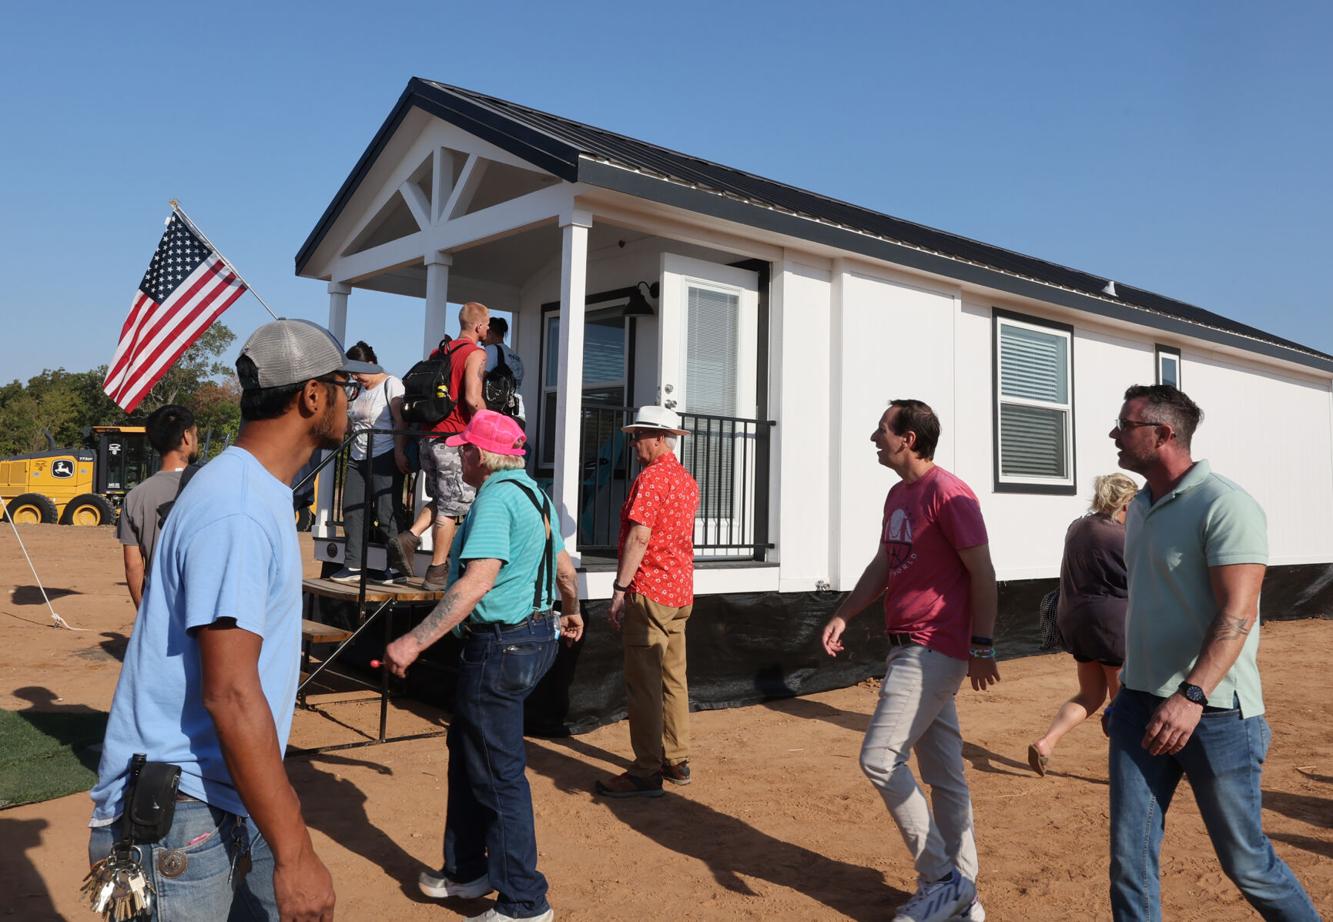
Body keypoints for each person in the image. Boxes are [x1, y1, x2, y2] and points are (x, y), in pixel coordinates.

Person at [88, 319, 371, 921]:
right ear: (312, 396)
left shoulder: (252, 490)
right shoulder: (237, 508)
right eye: (346, 384)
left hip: (212, 797)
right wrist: (295, 854)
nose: (355, 399)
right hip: (180, 815)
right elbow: (232, 693)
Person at [1106, 384, 1318, 920]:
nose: (1114, 434)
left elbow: (1237, 613)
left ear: (1163, 434)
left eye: (1125, 425)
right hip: (1139, 707)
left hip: (1216, 714)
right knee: (1130, 862)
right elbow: (1152, 606)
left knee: (1246, 863)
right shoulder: (1138, 507)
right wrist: (1128, 688)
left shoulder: (1225, 504)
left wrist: (1192, 694)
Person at [383, 409, 584, 922]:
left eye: (463, 448)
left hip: (503, 646)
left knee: (496, 772)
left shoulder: (495, 499)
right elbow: (563, 567)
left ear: (479, 454)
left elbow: (475, 583)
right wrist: (572, 611)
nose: (458, 455)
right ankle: (468, 870)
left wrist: (414, 641)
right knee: (471, 752)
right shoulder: (535, 493)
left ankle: (525, 903)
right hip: (535, 638)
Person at [820, 399, 997, 922]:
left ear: (908, 439)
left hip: (931, 650)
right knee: (945, 774)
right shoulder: (899, 493)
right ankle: (963, 894)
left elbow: (983, 573)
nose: (875, 438)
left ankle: (941, 880)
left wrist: (982, 645)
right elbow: (884, 564)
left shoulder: (950, 493)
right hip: (907, 646)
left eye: (883, 430)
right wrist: (845, 614)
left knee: (879, 758)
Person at [596, 405, 700, 798]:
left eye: (640, 435)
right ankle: (677, 758)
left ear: (659, 438)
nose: (635, 442)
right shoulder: (687, 481)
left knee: (644, 684)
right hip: (679, 592)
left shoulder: (651, 480)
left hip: (650, 591)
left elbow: (640, 537)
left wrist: (620, 589)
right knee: (674, 678)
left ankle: (645, 770)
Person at [1027, 472, 1138, 776]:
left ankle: (1046, 742)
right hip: (1112, 627)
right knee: (1123, 703)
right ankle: (1125, 771)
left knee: (1089, 695)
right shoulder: (1121, 537)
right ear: (1125, 502)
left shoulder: (1077, 527)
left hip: (1076, 622)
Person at [394, 303, 489, 590]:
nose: (487, 329)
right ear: (477, 326)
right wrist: (489, 425)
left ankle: (409, 537)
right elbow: (472, 399)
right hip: (454, 440)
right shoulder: (475, 354)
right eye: (486, 324)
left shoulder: (440, 352)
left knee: (441, 498)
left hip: (428, 437)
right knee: (451, 509)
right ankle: (437, 571)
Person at [329, 340, 410, 584]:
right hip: (357, 456)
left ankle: (397, 570)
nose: (356, 377)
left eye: (359, 371)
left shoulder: (391, 384)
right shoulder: (359, 391)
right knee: (352, 509)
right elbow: (355, 423)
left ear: (372, 364)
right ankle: (353, 564)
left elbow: (400, 422)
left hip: (384, 455)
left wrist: (399, 451)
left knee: (387, 512)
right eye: (353, 372)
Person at [117, 404, 199, 608]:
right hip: (202, 607)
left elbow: (133, 565)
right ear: (187, 436)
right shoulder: (211, 484)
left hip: (159, 607)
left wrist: (144, 613)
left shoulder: (135, 496)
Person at [482, 315, 525, 423]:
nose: (482, 342)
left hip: (498, 412)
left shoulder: (491, 350)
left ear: (489, 333)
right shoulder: (516, 356)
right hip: (518, 412)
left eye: (483, 336)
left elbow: (479, 377)